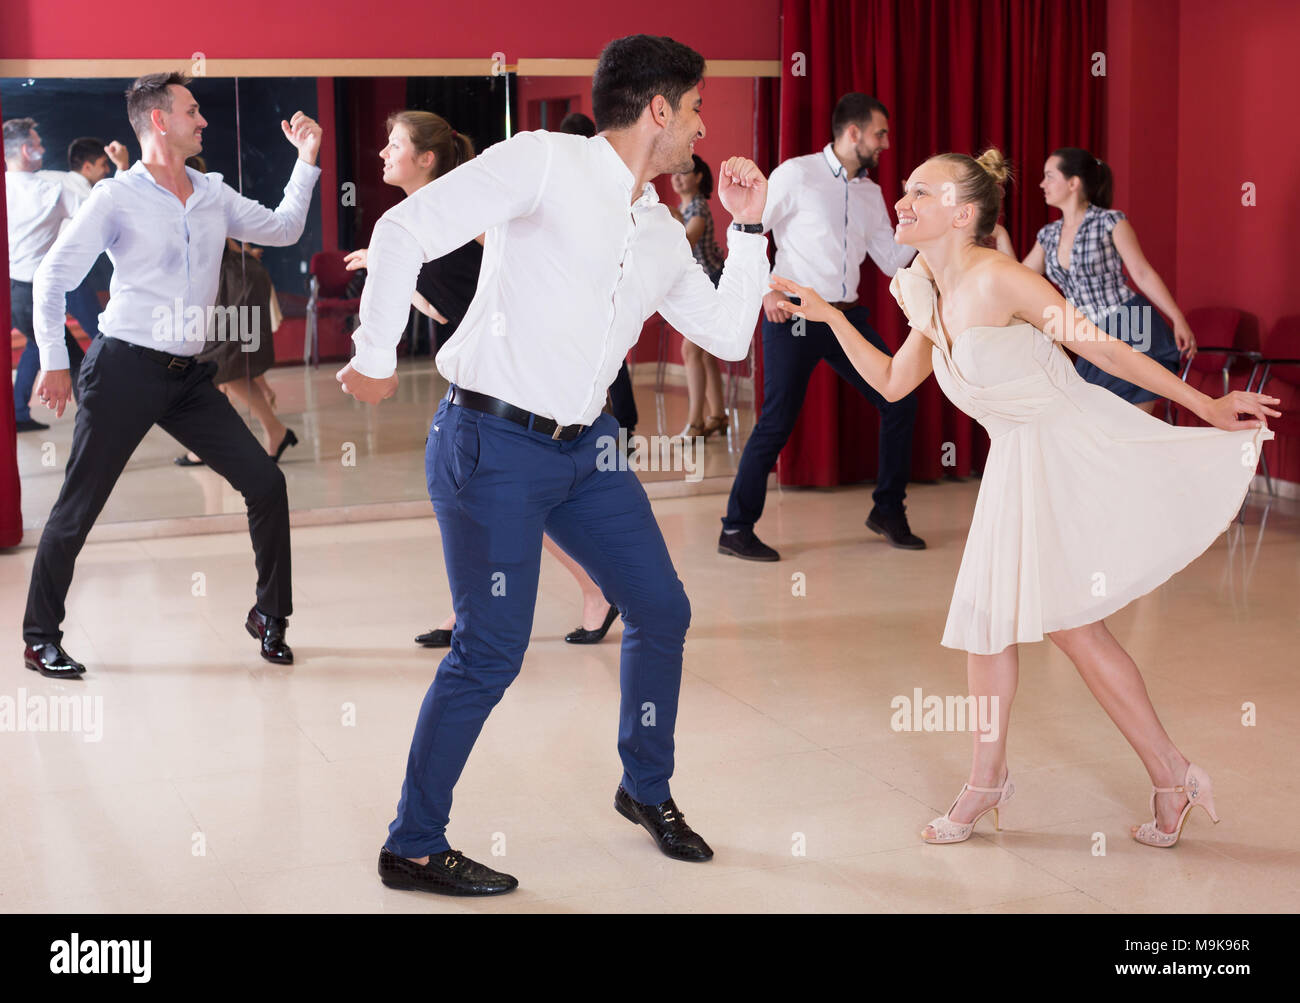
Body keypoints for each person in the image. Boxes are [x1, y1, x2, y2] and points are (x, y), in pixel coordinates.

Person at [337, 34, 769, 895]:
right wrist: (375, 353)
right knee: (489, 652)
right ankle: (412, 843)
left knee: (661, 607)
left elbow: (725, 334)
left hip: (588, 451)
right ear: (657, 109)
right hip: (490, 444)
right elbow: (402, 228)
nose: (700, 124)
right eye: (692, 108)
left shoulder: (656, 230)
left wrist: (749, 229)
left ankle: (644, 789)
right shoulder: (542, 162)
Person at [769, 148, 1277, 849]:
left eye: (922, 190)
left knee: (1064, 624)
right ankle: (1104, 775)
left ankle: (1150, 772)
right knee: (996, 619)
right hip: (1016, 459)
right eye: (906, 189)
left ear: (964, 212)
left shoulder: (1002, 279)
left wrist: (1205, 404)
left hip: (1063, 448)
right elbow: (890, 381)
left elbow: (1102, 350)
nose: (904, 201)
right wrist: (827, 314)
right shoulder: (927, 288)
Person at [22, 71, 322, 677]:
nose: (202, 120)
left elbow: (284, 228)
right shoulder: (115, 197)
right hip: (123, 369)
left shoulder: (213, 193)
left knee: (266, 484)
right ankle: (39, 637)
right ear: (159, 120)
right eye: (191, 111)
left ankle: (270, 616)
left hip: (188, 377)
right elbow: (52, 277)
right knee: (79, 507)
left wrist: (307, 160)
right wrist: (54, 359)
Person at [345, 110, 618, 648]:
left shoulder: (469, 205)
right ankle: (480, 610)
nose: (383, 153)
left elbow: (521, 263)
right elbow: (448, 308)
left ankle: (594, 590)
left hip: (522, 379)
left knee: (508, 499)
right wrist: (389, 272)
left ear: (426, 158)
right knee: (484, 498)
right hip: (487, 384)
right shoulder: (419, 219)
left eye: (394, 144)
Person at [718, 93, 924, 562]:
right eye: (880, 134)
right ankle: (735, 528)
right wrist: (764, 293)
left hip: (846, 317)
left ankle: (888, 510)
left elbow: (892, 264)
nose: (886, 144)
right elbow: (750, 227)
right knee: (777, 422)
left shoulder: (871, 194)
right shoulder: (797, 173)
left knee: (899, 398)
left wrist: (921, 227)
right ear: (853, 133)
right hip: (793, 313)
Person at [1022, 148, 1195, 414]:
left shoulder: (1110, 222)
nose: (1042, 184)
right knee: (1092, 426)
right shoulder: (1048, 234)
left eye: (1049, 176)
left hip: (1131, 326)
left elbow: (1142, 273)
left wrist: (1177, 317)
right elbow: (1020, 280)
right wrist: (999, 236)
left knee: (1134, 429)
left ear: (1073, 182)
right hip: (1089, 335)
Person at [174, 155, 299, 468]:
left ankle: (271, 432)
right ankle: (265, 433)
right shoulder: (192, 196)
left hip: (234, 286)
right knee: (223, 370)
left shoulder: (198, 196)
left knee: (222, 368)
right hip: (231, 283)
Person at [556, 109, 638, 436]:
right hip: (607, 274)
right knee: (610, 355)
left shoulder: (566, 172)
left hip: (579, 276)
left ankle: (589, 424)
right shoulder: (612, 171)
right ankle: (623, 425)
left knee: (592, 354)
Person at [5, 117, 87, 431]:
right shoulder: (51, 190)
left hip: (10, 290)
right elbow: (95, 219)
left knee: (38, 349)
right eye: (38, 144)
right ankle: (95, 430)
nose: (43, 148)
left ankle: (18, 413)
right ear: (27, 150)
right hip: (32, 293)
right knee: (78, 364)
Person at [668, 154, 727, 439]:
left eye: (684, 172)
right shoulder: (684, 207)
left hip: (713, 284)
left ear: (699, 177)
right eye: (675, 173)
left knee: (691, 351)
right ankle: (717, 416)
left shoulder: (698, 207)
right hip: (701, 286)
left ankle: (696, 423)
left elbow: (686, 241)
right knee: (703, 355)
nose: (677, 177)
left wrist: (673, 221)